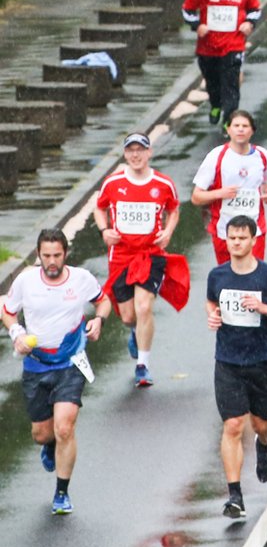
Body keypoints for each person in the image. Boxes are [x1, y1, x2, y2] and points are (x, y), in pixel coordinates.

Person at [3, 228, 111, 515]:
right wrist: (16, 333)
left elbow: (103, 300)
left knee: (65, 425)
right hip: (36, 364)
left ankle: (61, 492)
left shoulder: (81, 279)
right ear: (39, 254)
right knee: (42, 433)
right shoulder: (26, 280)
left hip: (71, 361)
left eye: (57, 255)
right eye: (46, 255)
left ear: (66, 253)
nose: (52, 261)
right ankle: (48, 444)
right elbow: (6, 309)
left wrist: (99, 320)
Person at [205, 215, 267, 518]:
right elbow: (211, 302)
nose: (236, 243)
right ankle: (234, 496)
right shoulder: (217, 276)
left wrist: (265, 309)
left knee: (260, 424)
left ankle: (265, 442)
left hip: (262, 360)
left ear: (253, 240)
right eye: (231, 238)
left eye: (242, 238)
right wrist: (214, 316)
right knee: (232, 425)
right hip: (228, 361)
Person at [93, 131, 186, 388]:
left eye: (140, 150)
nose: (135, 155)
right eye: (130, 150)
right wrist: (104, 230)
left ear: (149, 152)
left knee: (144, 307)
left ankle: (142, 366)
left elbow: (174, 209)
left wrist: (167, 232)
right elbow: (99, 207)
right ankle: (135, 331)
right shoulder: (113, 183)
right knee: (127, 316)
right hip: (121, 254)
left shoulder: (163, 183)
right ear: (125, 154)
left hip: (150, 254)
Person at [183, 0, 263, 124]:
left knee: (231, 84)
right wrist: (197, 25)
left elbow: (255, 9)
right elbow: (187, 9)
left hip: (233, 44)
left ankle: (229, 121)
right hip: (208, 46)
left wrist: (249, 23)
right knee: (212, 81)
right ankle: (215, 104)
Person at [189, 111, 267, 263]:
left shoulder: (263, 156)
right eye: (236, 126)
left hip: (255, 230)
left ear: (252, 130)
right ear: (228, 129)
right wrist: (220, 193)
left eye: (245, 126)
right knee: (229, 280)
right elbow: (196, 197)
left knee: (253, 277)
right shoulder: (216, 156)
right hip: (225, 231)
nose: (240, 129)